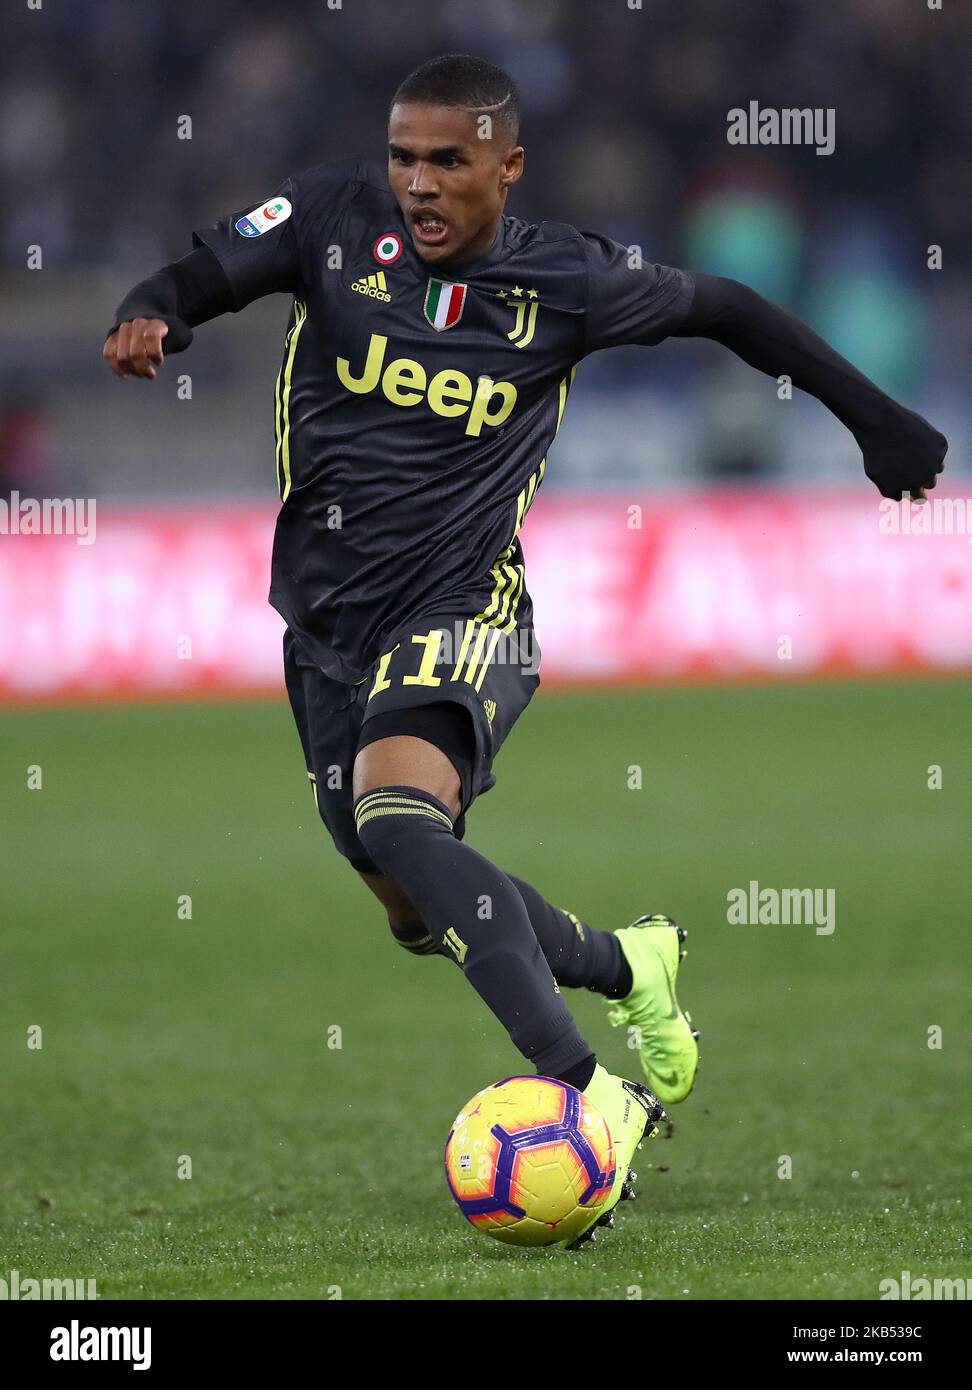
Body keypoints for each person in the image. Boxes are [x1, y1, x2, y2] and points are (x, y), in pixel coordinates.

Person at [103, 53, 947, 1246]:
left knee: (403, 819)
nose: (419, 184)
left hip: (464, 609)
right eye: (405, 156)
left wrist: (879, 421)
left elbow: (732, 309)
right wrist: (152, 311)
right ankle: (628, 960)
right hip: (325, 630)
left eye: (449, 161)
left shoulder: (571, 279)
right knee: (409, 899)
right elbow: (196, 273)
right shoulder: (332, 218)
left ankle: (589, 1090)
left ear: (507, 167)